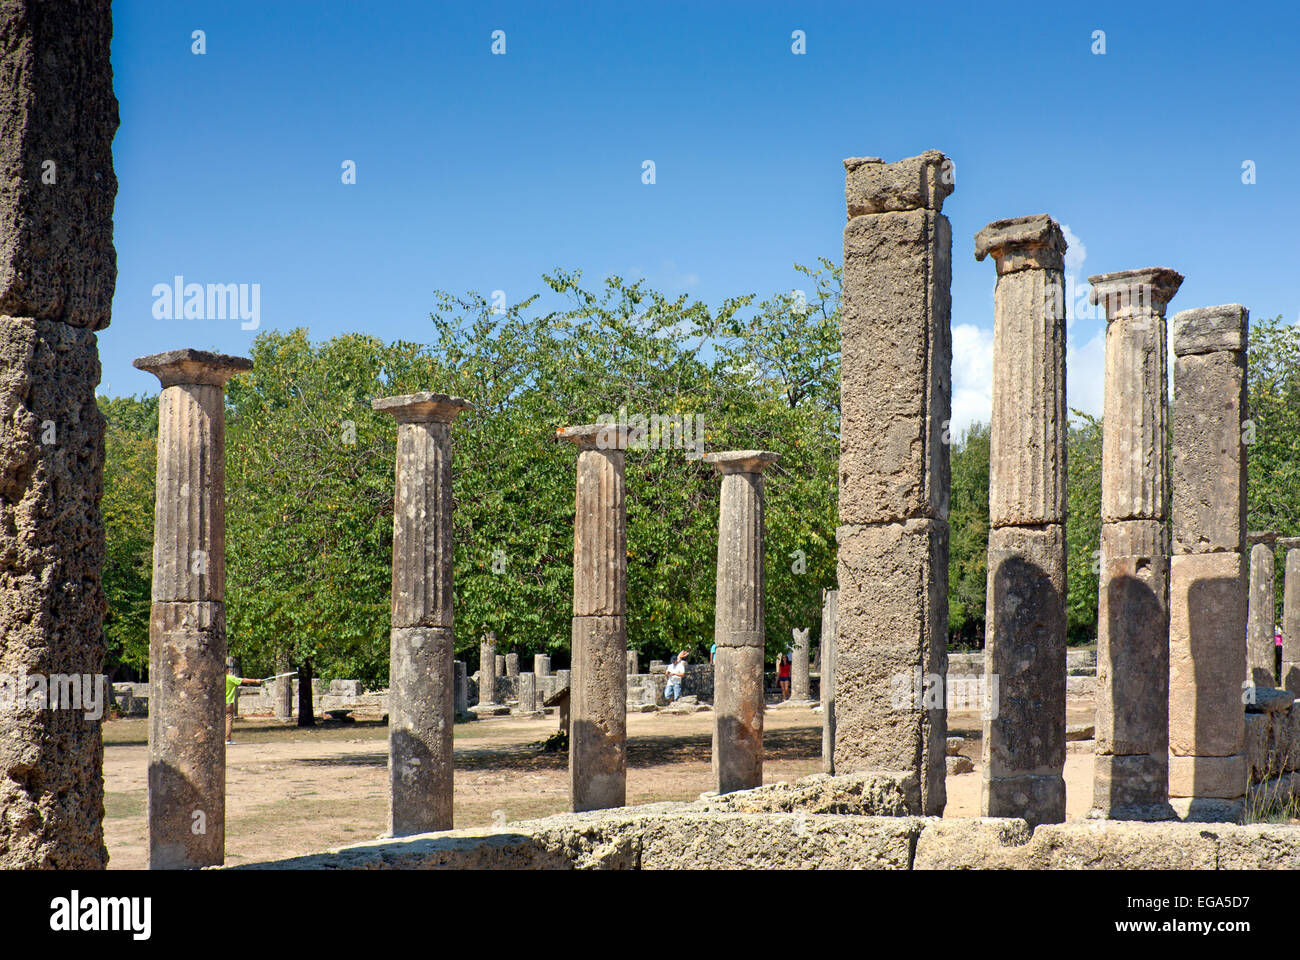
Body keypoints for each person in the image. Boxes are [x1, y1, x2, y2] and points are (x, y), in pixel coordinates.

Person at [225, 659, 264, 745]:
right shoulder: (230, 678)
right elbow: (243, 680)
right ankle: (227, 739)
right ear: (226, 670)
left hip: (219, 703)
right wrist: (256, 681)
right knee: (228, 719)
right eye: (228, 669)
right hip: (228, 702)